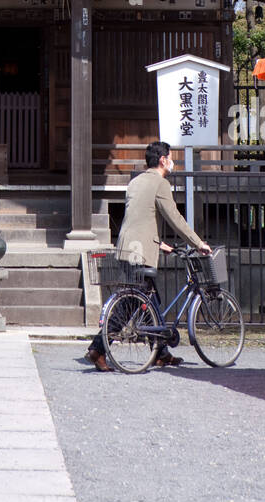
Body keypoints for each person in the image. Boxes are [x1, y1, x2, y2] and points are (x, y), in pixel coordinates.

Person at [86, 140, 212, 371]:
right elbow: (174, 218)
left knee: (151, 301)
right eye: (171, 157)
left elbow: (139, 217)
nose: (173, 162)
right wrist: (198, 242)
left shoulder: (135, 182)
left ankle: (161, 353)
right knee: (132, 303)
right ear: (163, 160)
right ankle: (98, 348)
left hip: (127, 246)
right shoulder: (160, 183)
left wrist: (159, 243)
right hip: (141, 252)